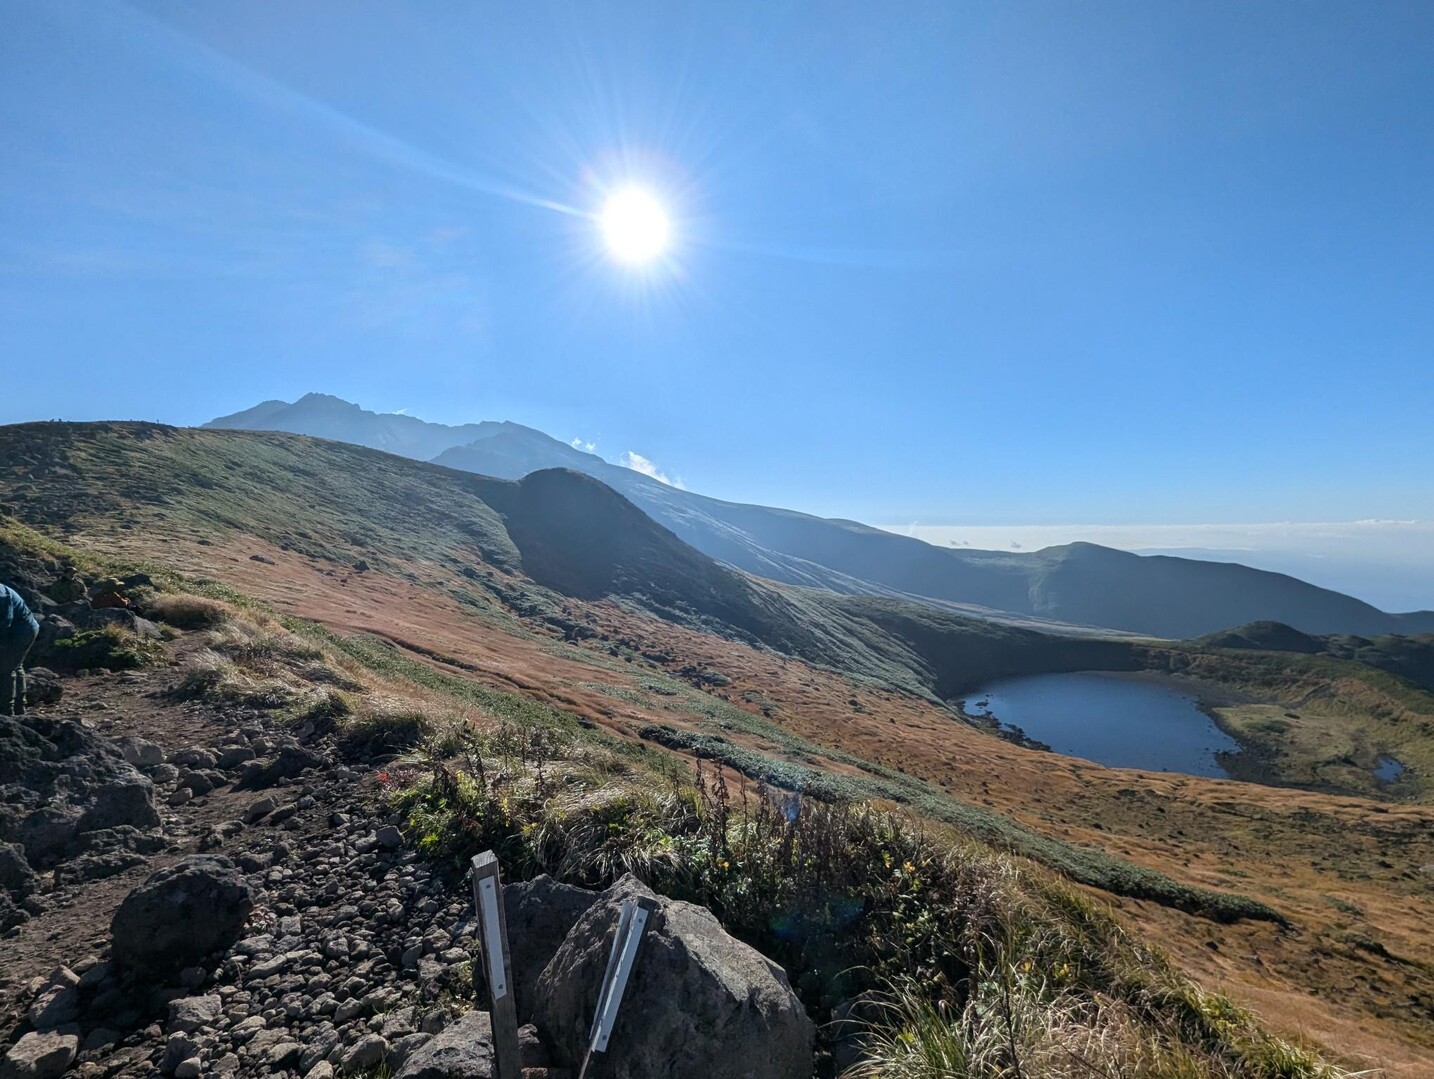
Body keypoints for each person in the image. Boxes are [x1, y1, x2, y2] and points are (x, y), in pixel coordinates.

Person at [1, 582, 40, 716]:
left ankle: (6, 712)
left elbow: (6, 620)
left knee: (4, 669)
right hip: (21, 628)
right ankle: (19, 709)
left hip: (21, 631)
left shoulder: (1, 594)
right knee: (16, 665)